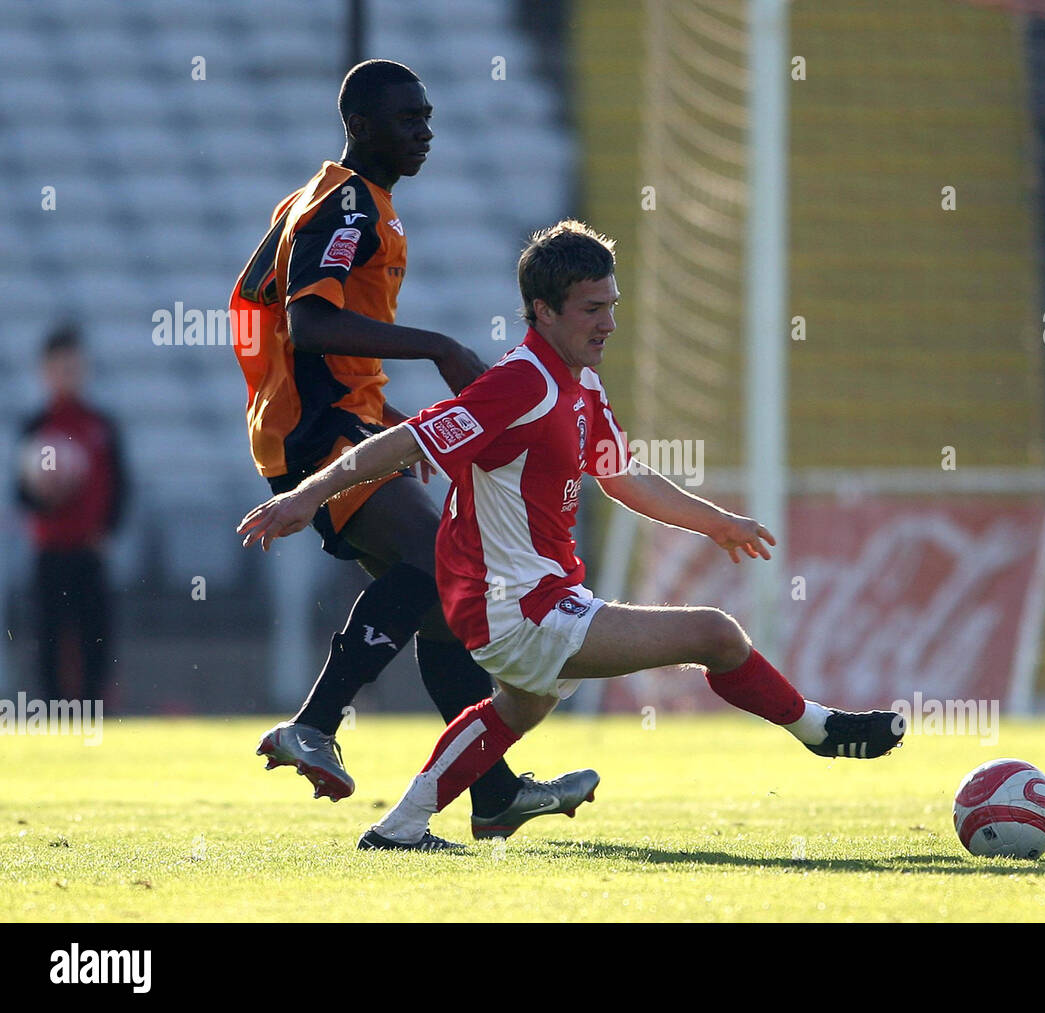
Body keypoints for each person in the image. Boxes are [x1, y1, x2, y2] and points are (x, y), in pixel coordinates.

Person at [239, 220, 906, 852]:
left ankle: (399, 828)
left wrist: (716, 522)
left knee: (516, 708)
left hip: (538, 595)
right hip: (516, 605)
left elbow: (621, 475)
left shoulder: (580, 380)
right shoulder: (521, 381)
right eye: (591, 308)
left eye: (612, 305)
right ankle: (821, 730)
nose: (608, 322)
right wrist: (306, 493)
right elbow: (410, 439)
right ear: (544, 310)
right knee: (715, 634)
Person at [228, 60, 597, 844]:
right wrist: (438, 347)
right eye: (405, 119)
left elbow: (291, 326)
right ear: (360, 125)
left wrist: (388, 415)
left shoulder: (337, 201)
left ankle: (493, 796)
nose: (423, 131)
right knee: (437, 563)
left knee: (441, 608)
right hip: (317, 434)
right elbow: (310, 326)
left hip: (329, 421)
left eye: (427, 117)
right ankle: (317, 724)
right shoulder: (349, 209)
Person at [15, 325, 127, 706]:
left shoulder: (101, 426)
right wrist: (44, 494)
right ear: (45, 371)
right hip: (50, 550)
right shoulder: (36, 426)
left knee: (95, 633)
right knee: (47, 633)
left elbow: (119, 483)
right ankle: (50, 708)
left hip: (89, 550)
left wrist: (107, 530)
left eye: (74, 367)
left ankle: (95, 707)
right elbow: (23, 492)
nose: (68, 375)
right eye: (60, 367)